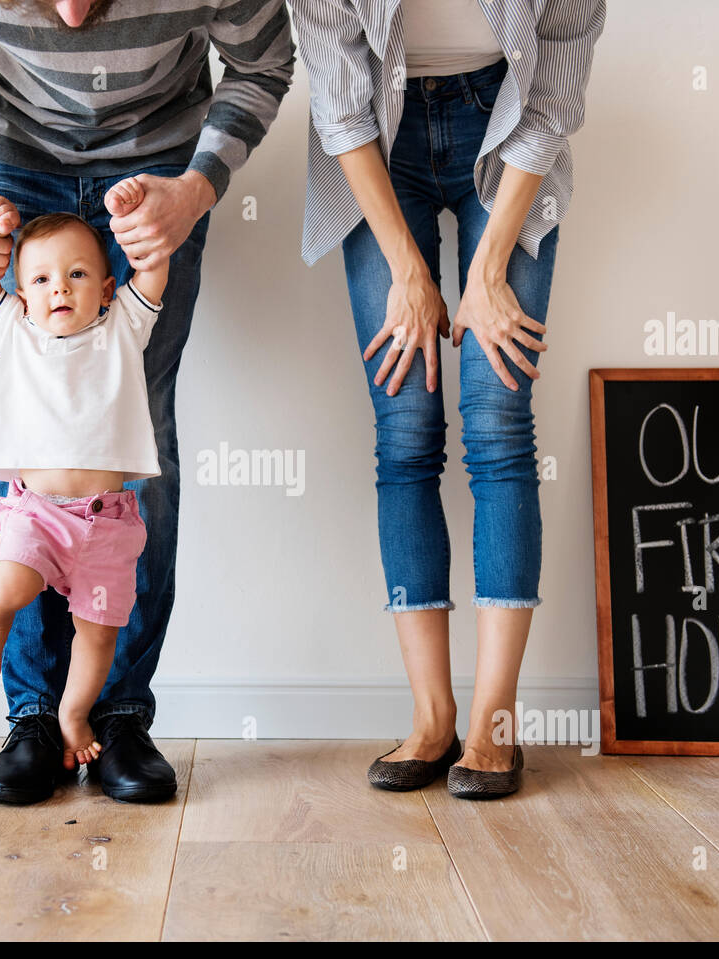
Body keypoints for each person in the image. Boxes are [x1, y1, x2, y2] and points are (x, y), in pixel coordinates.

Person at [0, 0, 295, 803]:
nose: (74, 15)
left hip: (159, 165)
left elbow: (265, 62)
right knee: (32, 432)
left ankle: (116, 713)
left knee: (143, 428)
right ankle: (32, 720)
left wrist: (196, 189)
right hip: (17, 165)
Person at [289, 0, 605, 797]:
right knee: (404, 427)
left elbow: (555, 98)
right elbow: (339, 105)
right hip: (376, 149)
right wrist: (407, 270)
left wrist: (489, 267)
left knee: (499, 420)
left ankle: (495, 725)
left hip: (504, 127)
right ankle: (433, 718)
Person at [0, 182, 167, 778]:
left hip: (107, 526)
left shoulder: (122, 329)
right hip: (36, 513)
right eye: (44, 279)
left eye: (78, 275)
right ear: (21, 295)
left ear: (105, 291)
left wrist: (134, 216)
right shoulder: (14, 333)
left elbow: (152, 268)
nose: (60, 288)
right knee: (8, 583)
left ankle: (75, 717)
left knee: (97, 636)